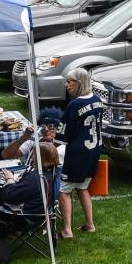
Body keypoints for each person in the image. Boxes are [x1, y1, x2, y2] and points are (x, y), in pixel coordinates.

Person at [58, 68, 105, 239]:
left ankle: (67, 230)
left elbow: (63, 135)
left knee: (63, 190)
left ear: (79, 83)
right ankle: (90, 224)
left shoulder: (75, 104)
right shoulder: (97, 100)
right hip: (94, 151)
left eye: (69, 82)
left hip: (77, 153)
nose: (66, 85)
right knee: (83, 187)